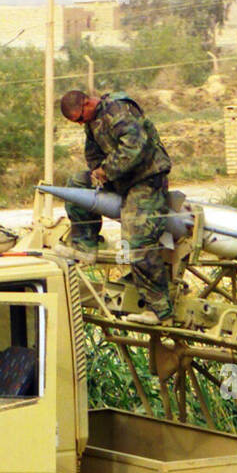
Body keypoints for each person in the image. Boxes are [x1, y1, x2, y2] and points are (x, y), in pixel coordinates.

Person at [60, 89, 174, 325]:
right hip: (121, 178)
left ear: (87, 103)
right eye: (77, 122)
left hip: (145, 180)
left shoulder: (119, 111)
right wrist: (98, 173)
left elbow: (135, 148)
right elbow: (92, 154)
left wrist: (107, 170)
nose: (81, 123)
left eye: (80, 118)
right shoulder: (92, 122)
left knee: (137, 242)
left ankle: (159, 309)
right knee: (77, 184)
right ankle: (85, 245)